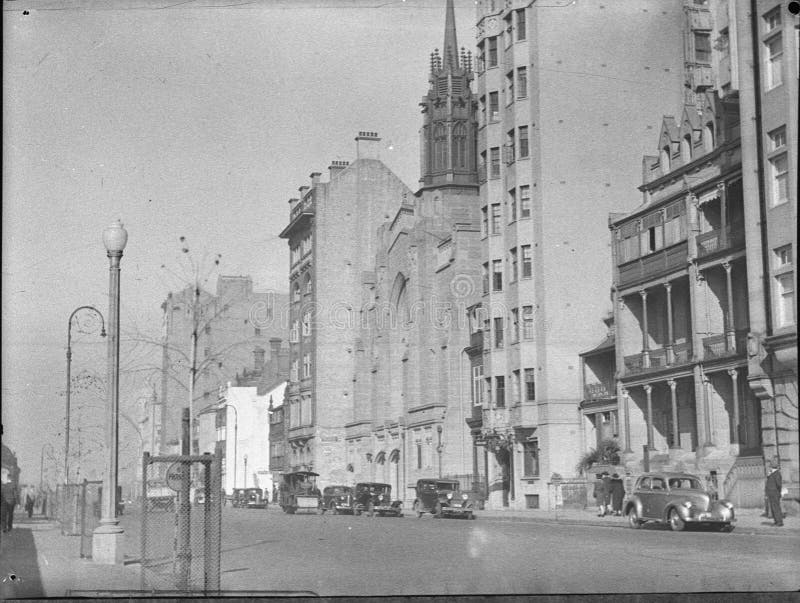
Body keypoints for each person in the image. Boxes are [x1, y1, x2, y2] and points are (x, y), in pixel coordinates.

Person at [765, 457, 784, 527]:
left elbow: (779, 485)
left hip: (775, 493)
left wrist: (778, 493)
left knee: (776, 508)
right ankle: (776, 521)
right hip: (771, 493)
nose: (770, 468)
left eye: (771, 466)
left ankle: (779, 522)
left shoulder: (777, 473)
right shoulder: (771, 473)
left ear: (773, 466)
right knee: (773, 508)